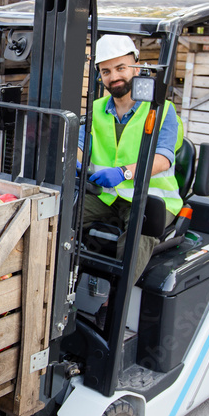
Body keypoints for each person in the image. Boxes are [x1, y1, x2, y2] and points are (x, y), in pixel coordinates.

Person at [79, 34, 184, 286]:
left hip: (151, 199)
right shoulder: (95, 109)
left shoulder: (162, 110)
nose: (114, 76)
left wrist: (124, 172)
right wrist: (76, 163)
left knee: (138, 230)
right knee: (57, 211)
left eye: (121, 68)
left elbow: (163, 158)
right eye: (106, 71)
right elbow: (81, 144)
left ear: (137, 66)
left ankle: (113, 307)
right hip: (106, 196)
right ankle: (60, 288)